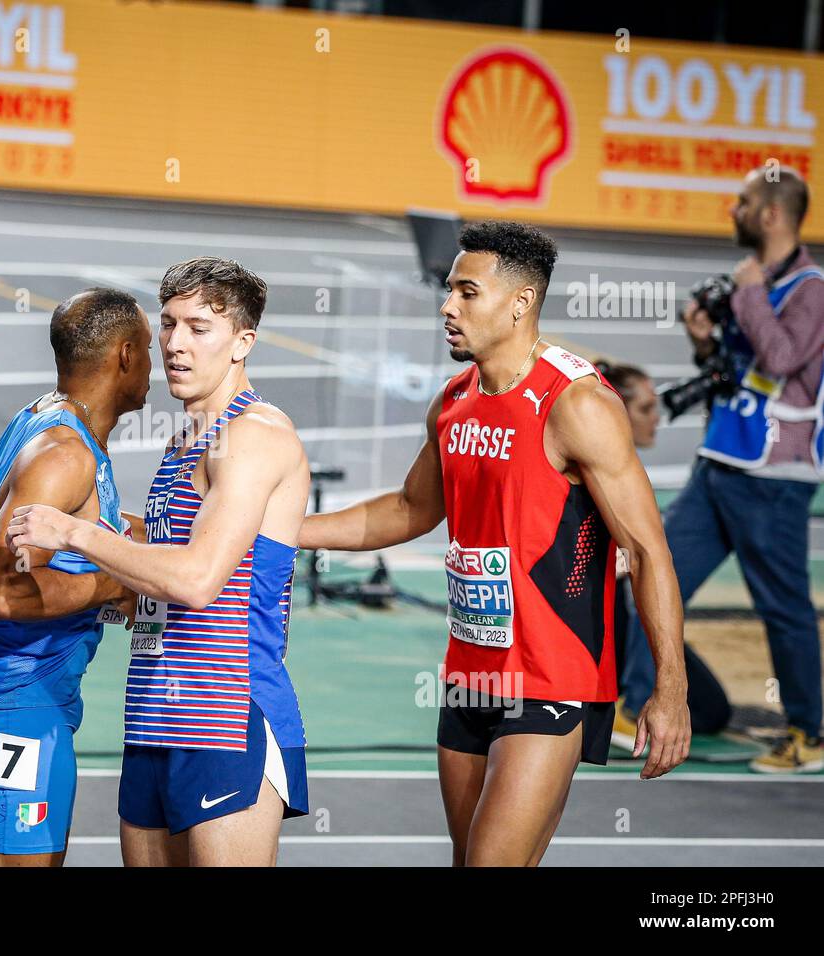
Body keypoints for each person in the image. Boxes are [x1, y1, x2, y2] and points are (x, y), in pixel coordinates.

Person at [299, 222, 691, 867]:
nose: (447, 307)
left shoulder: (577, 406)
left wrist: (669, 690)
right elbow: (409, 509)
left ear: (520, 302)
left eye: (466, 293)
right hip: (468, 678)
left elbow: (648, 552)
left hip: (552, 675)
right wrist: (283, 530)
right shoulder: (453, 401)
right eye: (448, 292)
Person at [7, 257, 310, 867]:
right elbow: (164, 560)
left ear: (243, 342)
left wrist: (74, 532)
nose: (174, 344)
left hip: (228, 718)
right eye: (167, 324)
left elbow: (197, 580)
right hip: (154, 712)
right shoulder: (186, 440)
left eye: (200, 328)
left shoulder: (255, 434)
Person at [0, 288, 152, 866]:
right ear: (125, 356)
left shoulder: (50, 422)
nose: (157, 365)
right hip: (11, 698)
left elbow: (76, 528)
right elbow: (2, 592)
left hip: (22, 694)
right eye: (151, 350)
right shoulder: (64, 457)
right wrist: (114, 585)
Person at [620, 165, 823, 773]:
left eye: (741, 202)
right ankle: (633, 705)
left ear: (770, 215)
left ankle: (808, 733)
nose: (731, 211)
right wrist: (706, 342)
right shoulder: (756, 282)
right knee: (652, 578)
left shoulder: (810, 287)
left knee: (782, 607)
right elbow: (738, 371)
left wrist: (750, 292)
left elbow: (783, 357)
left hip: (772, 476)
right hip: (721, 461)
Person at [595, 361, 730, 737]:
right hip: (591, 619)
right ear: (616, 410)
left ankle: (620, 697)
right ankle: (615, 704)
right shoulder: (584, 465)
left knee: (711, 711)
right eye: (645, 409)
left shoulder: (627, 469)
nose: (657, 418)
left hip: (630, 616)